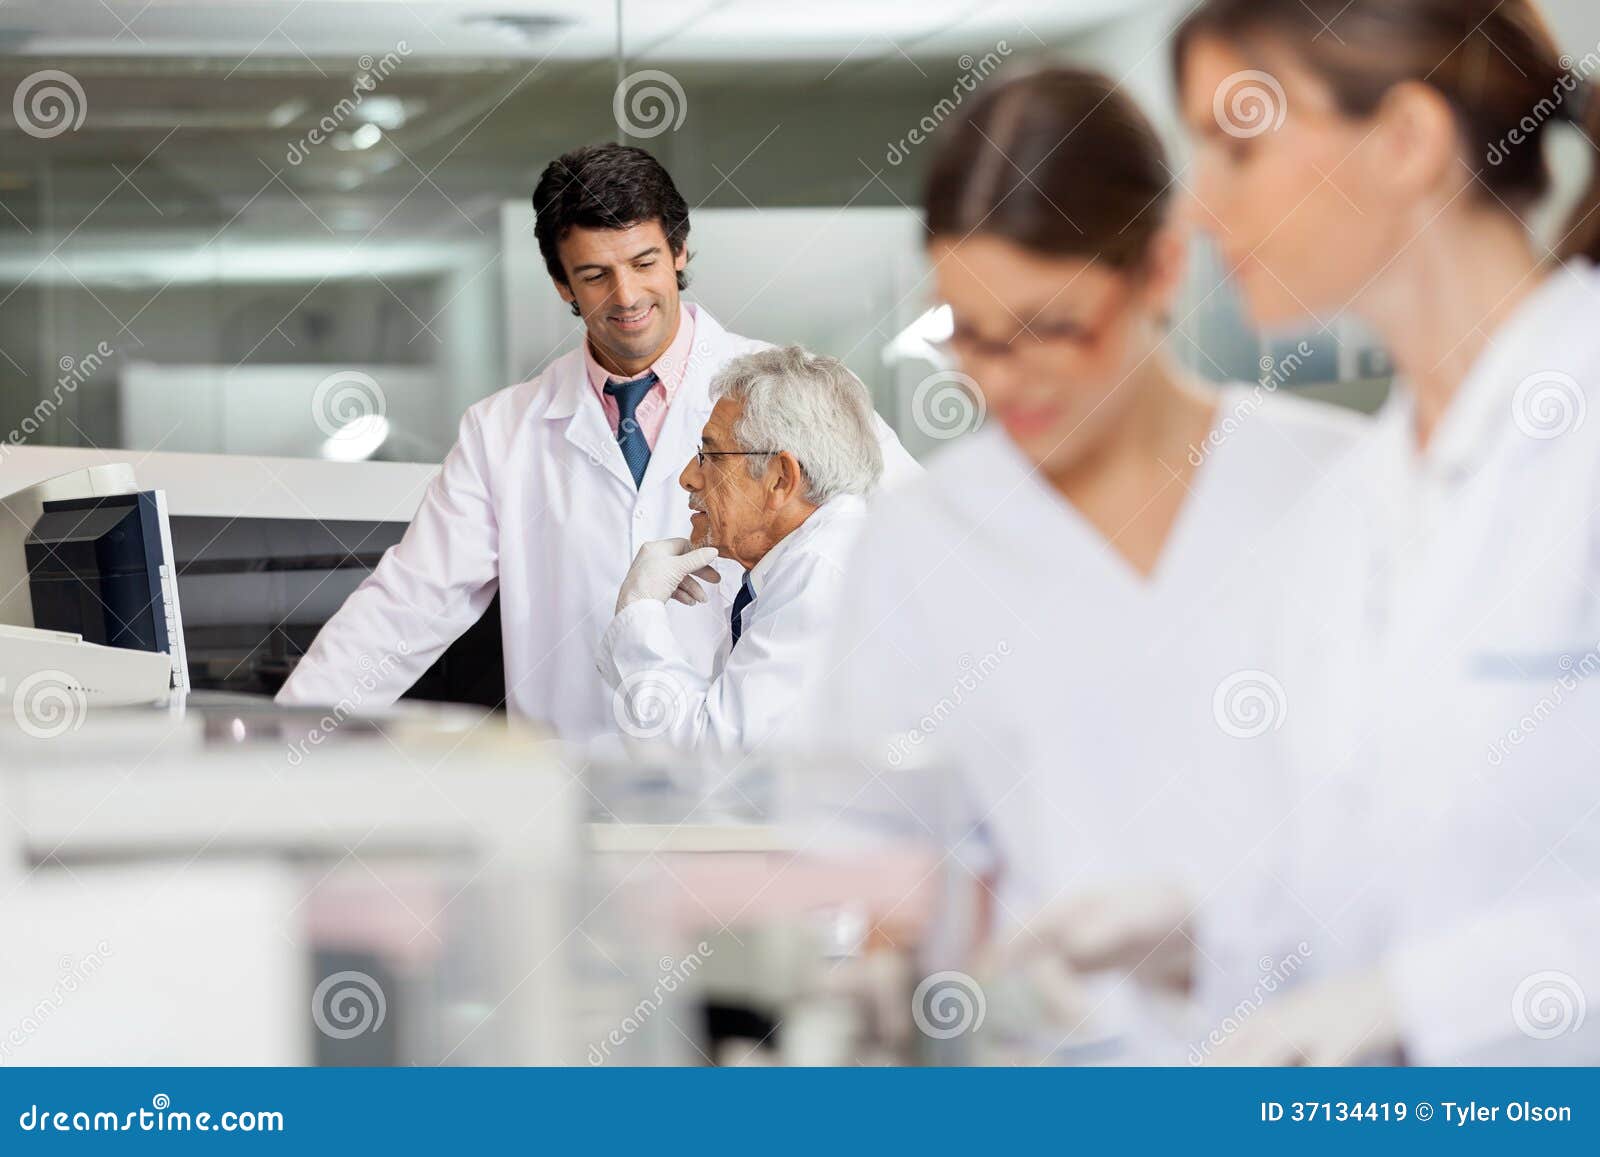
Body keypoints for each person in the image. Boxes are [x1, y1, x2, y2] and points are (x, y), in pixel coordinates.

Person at [811, 66, 1368, 1059]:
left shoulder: (1343, 489)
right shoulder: (921, 536)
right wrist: (880, 961)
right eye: (968, 337)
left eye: (1050, 330)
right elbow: (874, 839)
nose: (1001, 379)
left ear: (1159, 271)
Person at [1159, 0, 1600, 1066]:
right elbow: (1360, 868)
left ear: (1406, 139)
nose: (1201, 212)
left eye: (1239, 143)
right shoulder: (1350, 503)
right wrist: (1193, 926)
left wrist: (1422, 999)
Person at [276, 143, 917, 737]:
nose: (627, 296)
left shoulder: (791, 391)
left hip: (727, 787)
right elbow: (405, 609)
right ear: (563, 285)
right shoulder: (502, 432)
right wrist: (286, 742)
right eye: (595, 275)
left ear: (680, 253)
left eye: (644, 263)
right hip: (570, 786)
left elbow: (922, 536)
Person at [597, 346, 883, 755]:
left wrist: (639, 609)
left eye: (710, 455)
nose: (688, 478)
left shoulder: (822, 571)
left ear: (781, 478)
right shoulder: (803, 562)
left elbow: (719, 762)